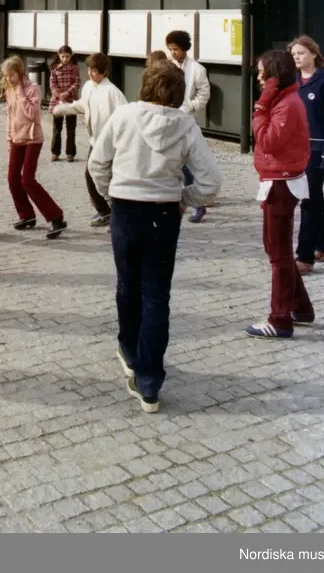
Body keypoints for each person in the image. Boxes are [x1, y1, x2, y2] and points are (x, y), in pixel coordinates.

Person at [89, 62, 222, 413]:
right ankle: (149, 379)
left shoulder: (124, 116)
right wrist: (184, 199)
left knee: (127, 285)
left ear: (145, 85)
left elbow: (96, 163)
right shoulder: (186, 125)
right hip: (163, 214)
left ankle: (129, 351)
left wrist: (110, 195)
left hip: (126, 210)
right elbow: (211, 181)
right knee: (156, 295)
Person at [246, 50, 314, 339]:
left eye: (263, 74)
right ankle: (300, 308)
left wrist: (260, 109)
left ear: (274, 76)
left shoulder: (286, 104)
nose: (259, 79)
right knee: (278, 249)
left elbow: (267, 141)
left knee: (278, 252)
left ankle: (280, 319)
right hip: (280, 180)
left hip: (282, 183)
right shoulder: (284, 100)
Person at [290, 35, 324, 273]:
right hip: (298, 150)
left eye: (301, 53)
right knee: (315, 197)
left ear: (313, 53)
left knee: (308, 200)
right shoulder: (294, 81)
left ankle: (304, 256)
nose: (297, 57)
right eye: (294, 54)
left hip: (319, 150)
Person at [53, 53, 127, 228]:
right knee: (90, 175)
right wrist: (65, 109)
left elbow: (124, 117)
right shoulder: (88, 86)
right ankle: (105, 211)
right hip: (96, 141)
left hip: (110, 143)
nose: (92, 74)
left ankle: (117, 214)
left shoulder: (112, 92)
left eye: (96, 71)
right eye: (90, 70)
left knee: (109, 177)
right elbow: (83, 105)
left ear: (104, 72)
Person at [2, 56, 67, 238]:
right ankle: (27, 215)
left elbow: (33, 115)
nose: (9, 79)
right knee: (12, 178)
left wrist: (21, 93)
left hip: (32, 138)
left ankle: (56, 217)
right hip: (16, 138)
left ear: (20, 72)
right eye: (6, 76)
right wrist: (9, 139)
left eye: (12, 75)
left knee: (27, 180)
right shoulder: (9, 90)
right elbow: (10, 116)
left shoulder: (33, 89)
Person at [166, 30, 212, 223]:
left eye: (175, 49)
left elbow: (204, 93)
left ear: (184, 48)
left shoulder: (197, 69)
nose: (172, 53)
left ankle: (198, 203)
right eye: (170, 49)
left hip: (187, 120)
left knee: (188, 163)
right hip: (169, 119)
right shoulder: (167, 67)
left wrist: (191, 106)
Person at [48, 46, 81, 162]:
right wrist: (58, 94)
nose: (65, 59)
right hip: (58, 101)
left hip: (71, 101)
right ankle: (55, 152)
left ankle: (70, 153)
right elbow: (52, 83)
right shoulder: (54, 68)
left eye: (67, 56)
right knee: (57, 128)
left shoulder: (74, 68)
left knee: (71, 129)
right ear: (58, 55)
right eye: (63, 56)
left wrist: (67, 93)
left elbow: (77, 82)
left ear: (71, 56)